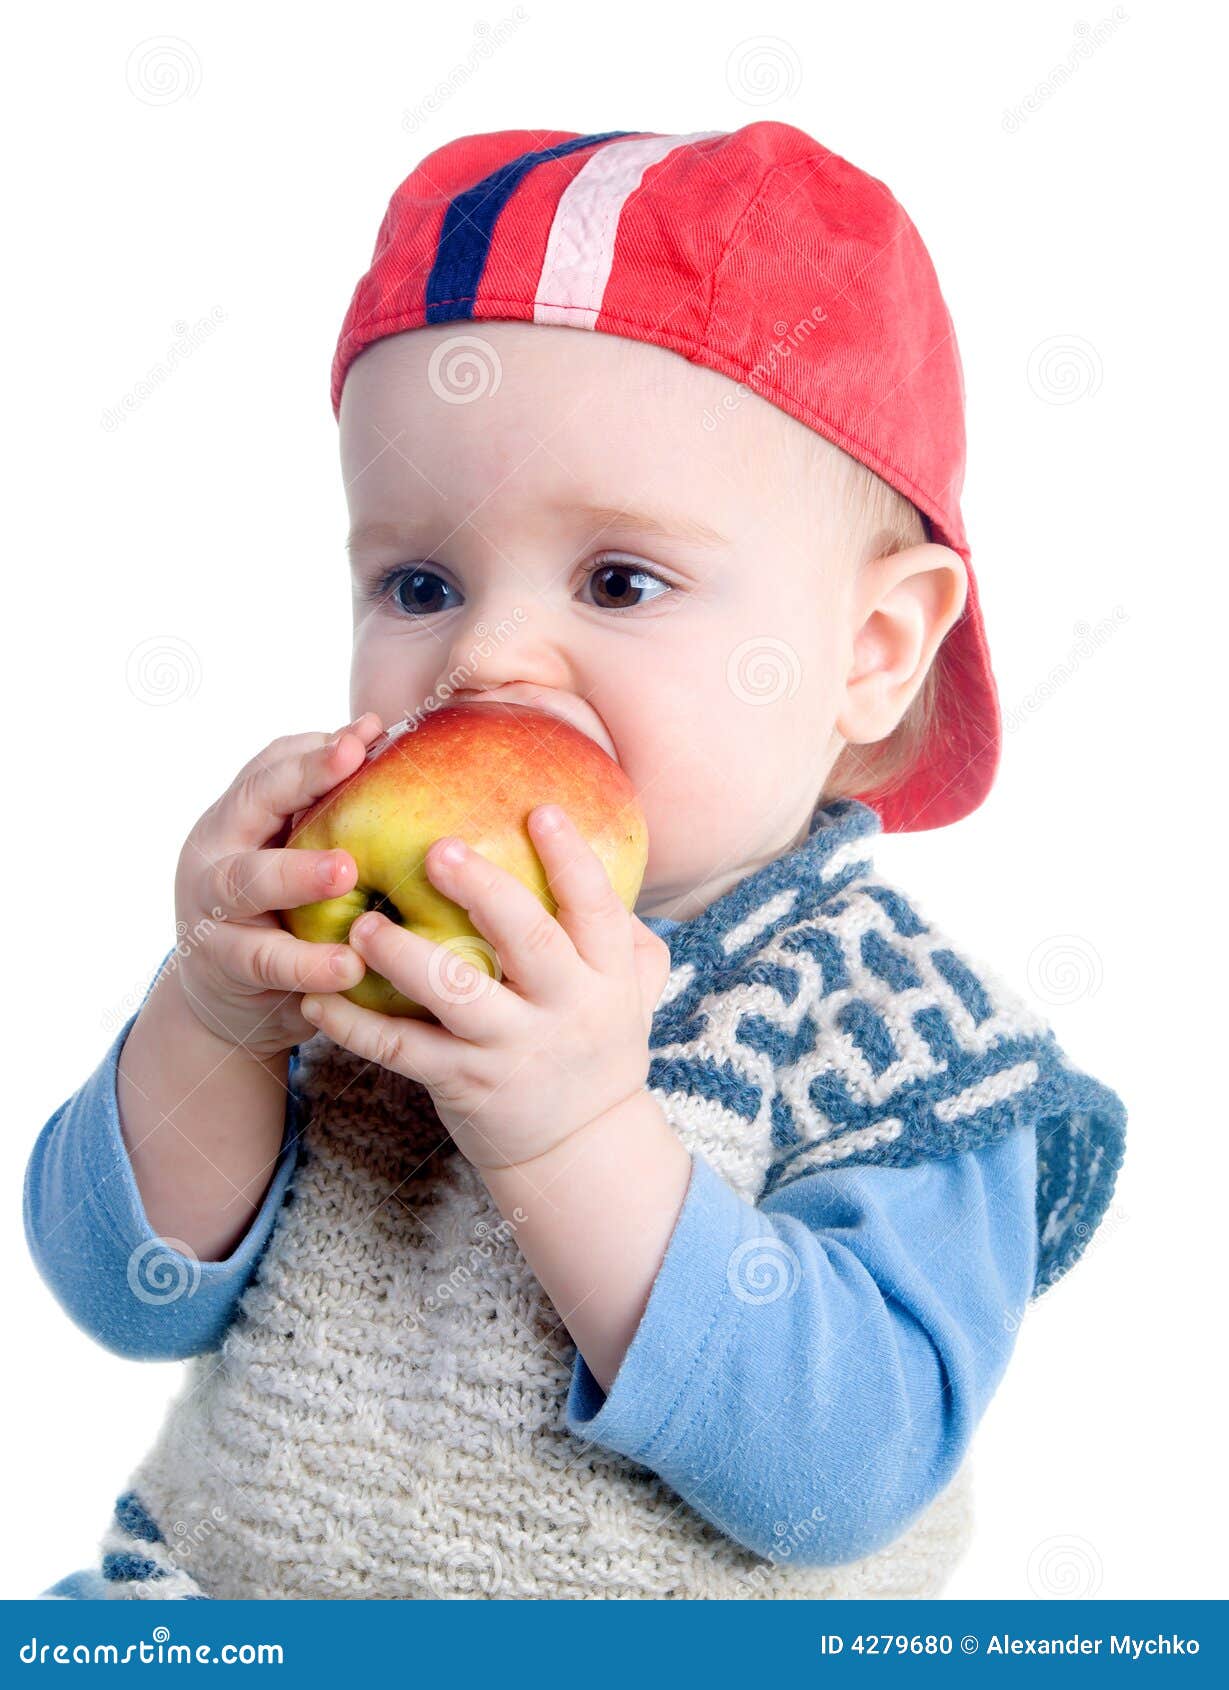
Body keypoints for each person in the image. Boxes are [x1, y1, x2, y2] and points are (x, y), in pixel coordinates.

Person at [27, 122, 1126, 1600]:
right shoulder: (351, 933)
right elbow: (126, 1292)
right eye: (419, 581)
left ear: (869, 650)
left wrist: (571, 1135)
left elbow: (841, 1476)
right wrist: (212, 1021)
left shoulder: (899, 1042)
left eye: (619, 580)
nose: (485, 654)